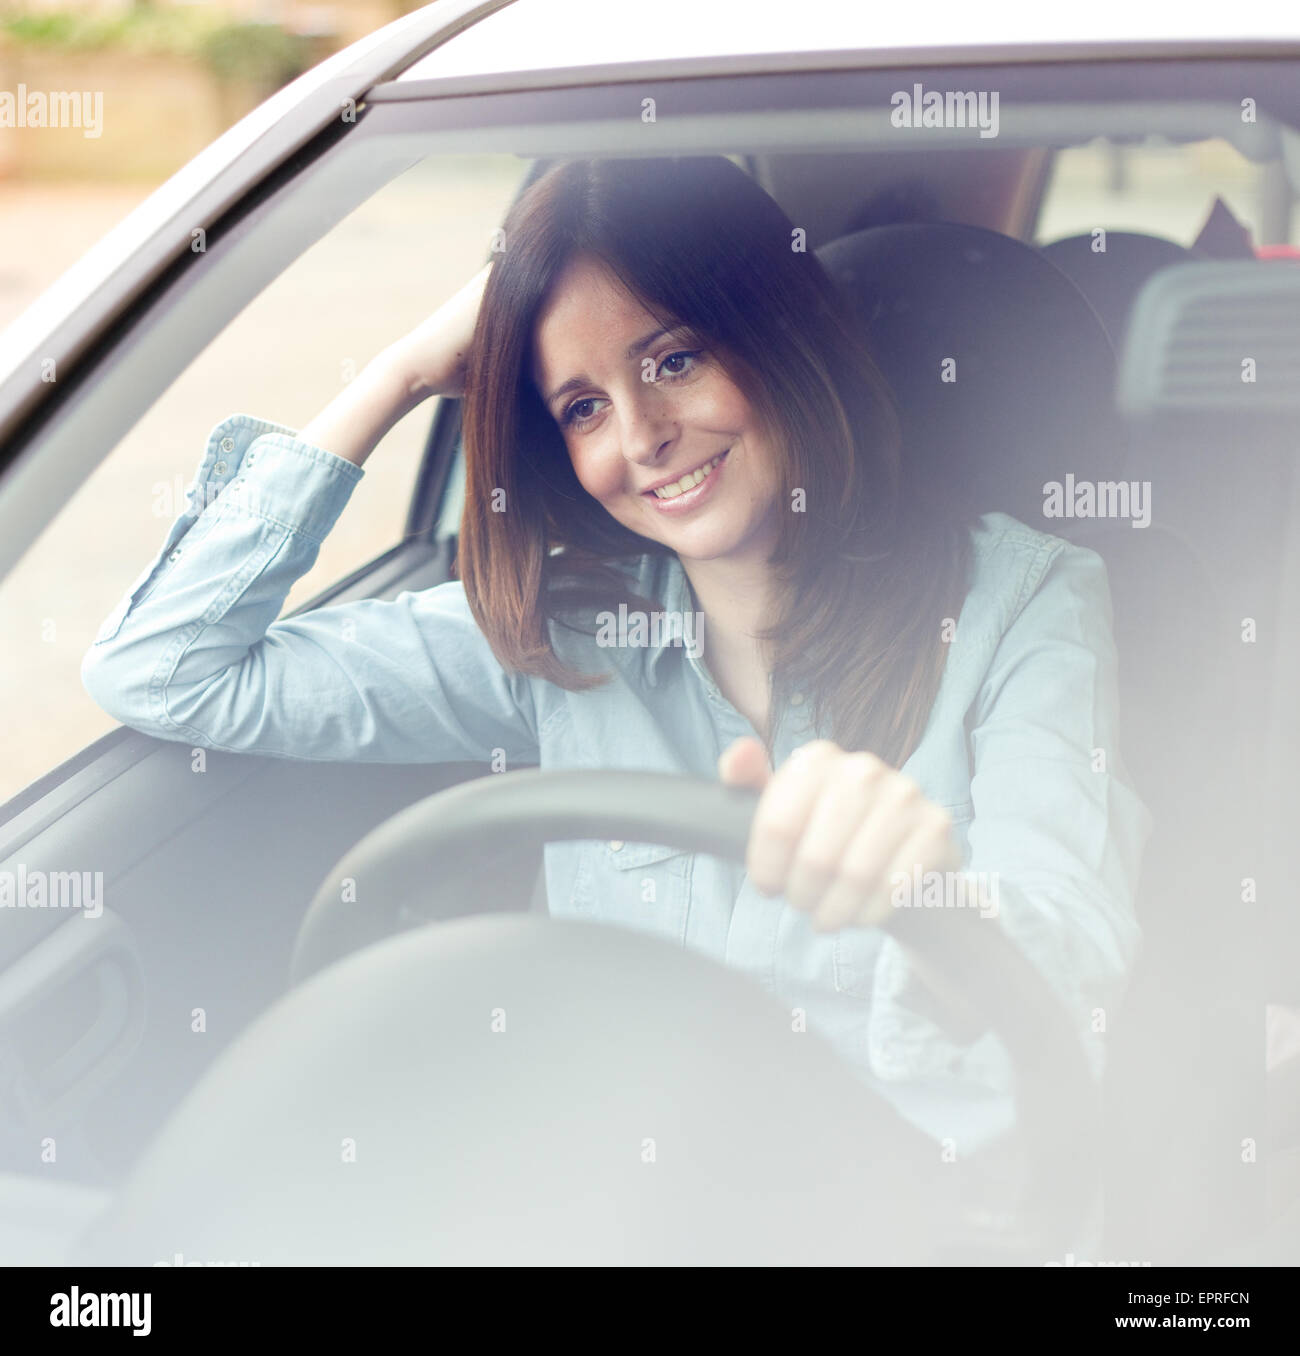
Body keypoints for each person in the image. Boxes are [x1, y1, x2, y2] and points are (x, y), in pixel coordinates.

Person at [82, 155, 1150, 1162]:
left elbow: (1070, 970)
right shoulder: (565, 631)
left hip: (915, 1209)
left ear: (782, 338)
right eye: (580, 407)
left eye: (673, 359)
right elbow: (167, 666)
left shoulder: (1025, 601)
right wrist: (401, 377)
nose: (639, 436)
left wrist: (937, 908)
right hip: (612, 1187)